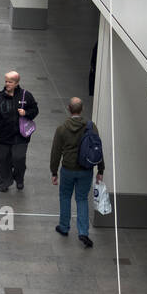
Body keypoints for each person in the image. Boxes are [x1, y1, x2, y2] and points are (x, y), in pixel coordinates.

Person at [50, 97, 105, 248]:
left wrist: (54, 172)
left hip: (67, 169)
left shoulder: (62, 128)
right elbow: (97, 148)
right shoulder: (90, 126)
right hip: (85, 170)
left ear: (69, 108)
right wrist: (100, 169)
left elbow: (56, 152)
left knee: (65, 197)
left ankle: (64, 227)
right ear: (82, 109)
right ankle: (83, 232)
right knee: (81, 199)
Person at [0, 70, 39, 191]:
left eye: (10, 82)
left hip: (21, 136)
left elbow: (35, 110)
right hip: (3, 135)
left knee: (19, 158)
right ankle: (4, 181)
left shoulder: (26, 95)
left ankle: (19, 178)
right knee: (3, 160)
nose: (7, 84)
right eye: (6, 81)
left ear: (17, 83)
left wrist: (26, 113)